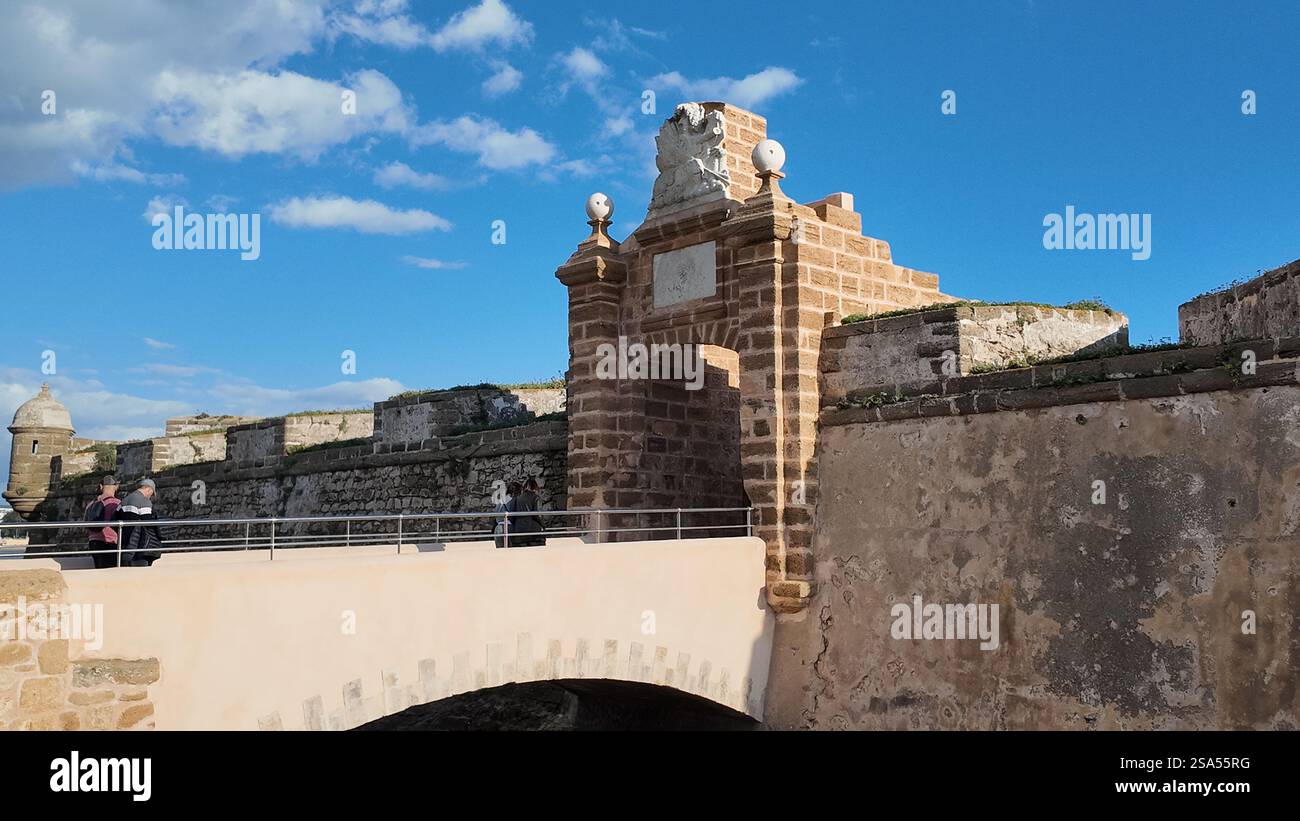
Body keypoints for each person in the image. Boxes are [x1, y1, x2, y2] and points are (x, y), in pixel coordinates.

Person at [111, 478, 164, 566]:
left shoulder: (124, 501)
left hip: (124, 545)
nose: (150, 496)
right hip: (139, 548)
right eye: (151, 493)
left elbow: (113, 522)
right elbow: (149, 524)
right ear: (148, 489)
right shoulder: (144, 502)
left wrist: (123, 534)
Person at [84, 475, 121, 569]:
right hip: (110, 541)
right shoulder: (116, 503)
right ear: (116, 487)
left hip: (93, 541)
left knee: (99, 570)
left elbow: (85, 523)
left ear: (101, 487)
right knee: (110, 572)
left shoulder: (91, 504)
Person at [507, 477, 546, 547]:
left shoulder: (517, 498)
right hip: (533, 532)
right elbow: (537, 515)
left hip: (518, 531)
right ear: (535, 487)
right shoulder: (536, 498)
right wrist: (543, 525)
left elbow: (511, 515)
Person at [493, 481, 520, 548]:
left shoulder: (501, 500)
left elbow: (495, 513)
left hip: (497, 528)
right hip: (508, 527)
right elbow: (514, 515)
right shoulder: (513, 500)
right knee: (510, 551)